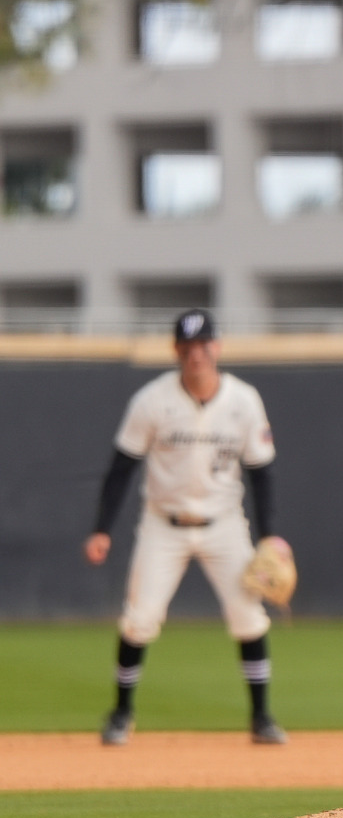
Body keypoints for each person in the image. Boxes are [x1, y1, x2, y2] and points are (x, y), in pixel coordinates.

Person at [85, 309, 287, 745]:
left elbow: (261, 471)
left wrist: (269, 535)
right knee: (139, 620)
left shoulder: (244, 400)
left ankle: (262, 718)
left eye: (204, 345)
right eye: (188, 347)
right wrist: (102, 528)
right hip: (164, 524)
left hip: (225, 524)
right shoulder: (152, 400)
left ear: (217, 347)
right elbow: (122, 467)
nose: (196, 354)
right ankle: (121, 713)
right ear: (176, 350)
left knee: (249, 617)